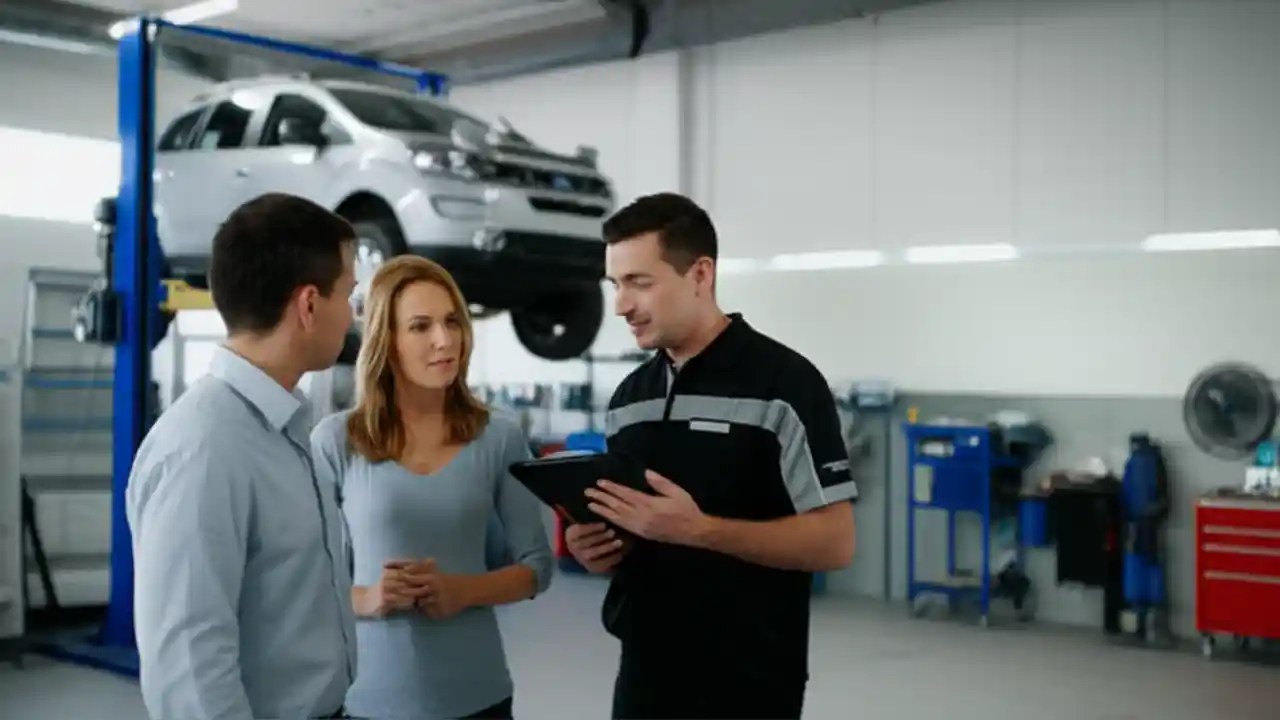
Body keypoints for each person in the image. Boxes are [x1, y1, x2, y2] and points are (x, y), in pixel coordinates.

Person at [564, 192, 859, 720]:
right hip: (643, 676)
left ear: (701, 274)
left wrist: (700, 530)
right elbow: (640, 532)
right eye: (615, 285)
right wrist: (599, 547)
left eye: (639, 282)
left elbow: (836, 542)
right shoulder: (629, 399)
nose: (621, 305)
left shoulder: (785, 385)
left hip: (748, 684)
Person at [126, 193, 359, 720]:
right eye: (348, 294)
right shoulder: (204, 448)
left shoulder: (286, 430)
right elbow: (189, 674)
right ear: (308, 305)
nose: (351, 315)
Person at [309, 255, 554, 720]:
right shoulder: (335, 441)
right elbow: (306, 585)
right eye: (420, 326)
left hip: (478, 698)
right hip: (366, 701)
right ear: (388, 341)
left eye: (451, 322)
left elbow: (536, 568)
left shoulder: (499, 437)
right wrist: (369, 597)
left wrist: (463, 591)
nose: (444, 340)